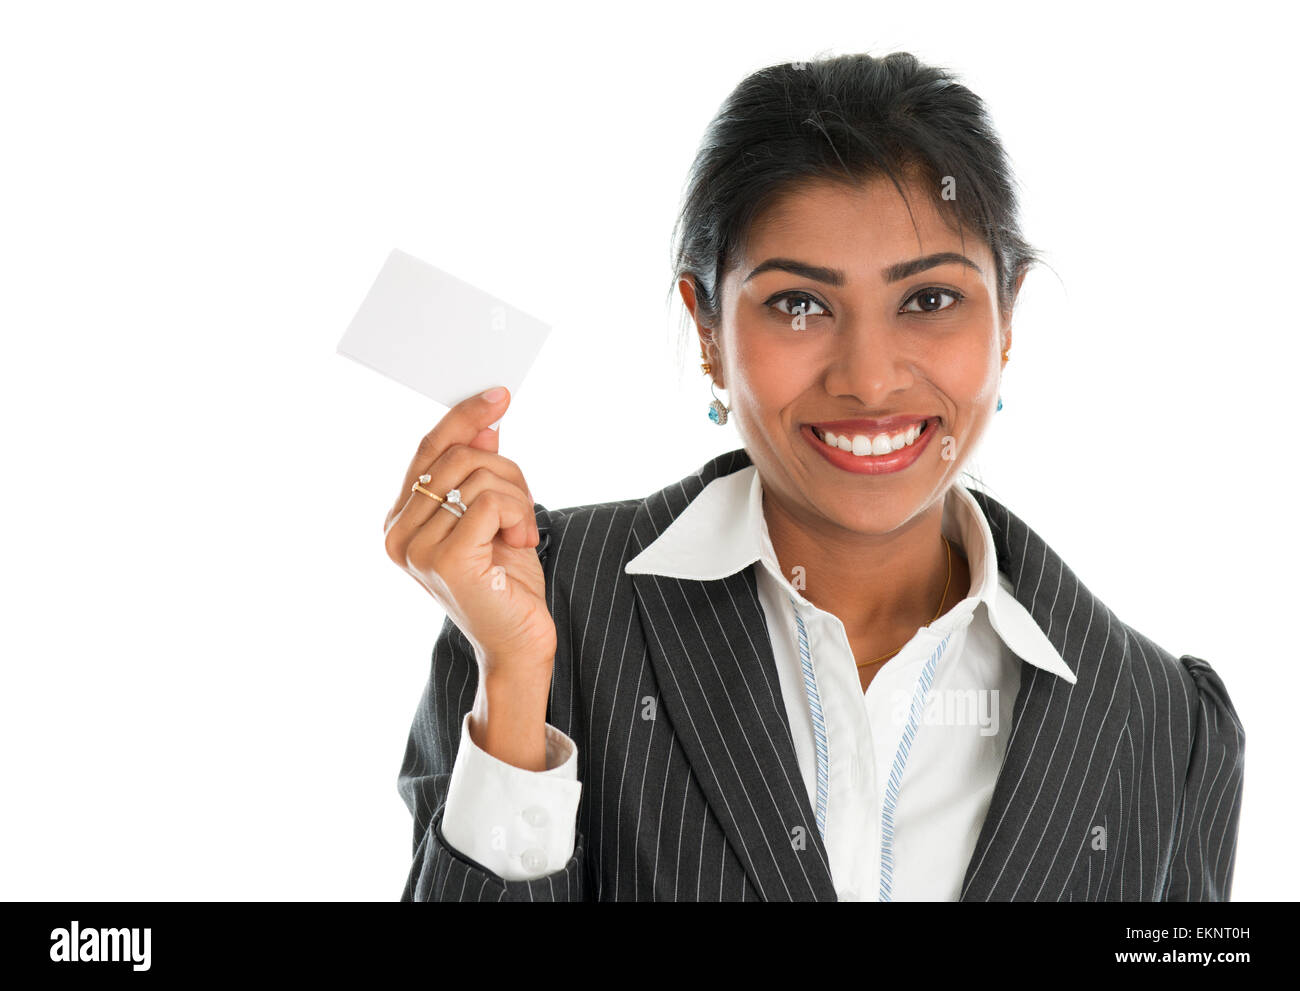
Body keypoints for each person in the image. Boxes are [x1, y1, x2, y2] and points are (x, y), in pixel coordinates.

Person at [387, 52, 1244, 901]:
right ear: (709, 330)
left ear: (1008, 317)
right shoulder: (544, 607)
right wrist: (513, 681)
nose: (870, 381)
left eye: (930, 300)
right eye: (799, 304)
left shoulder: (1164, 723)